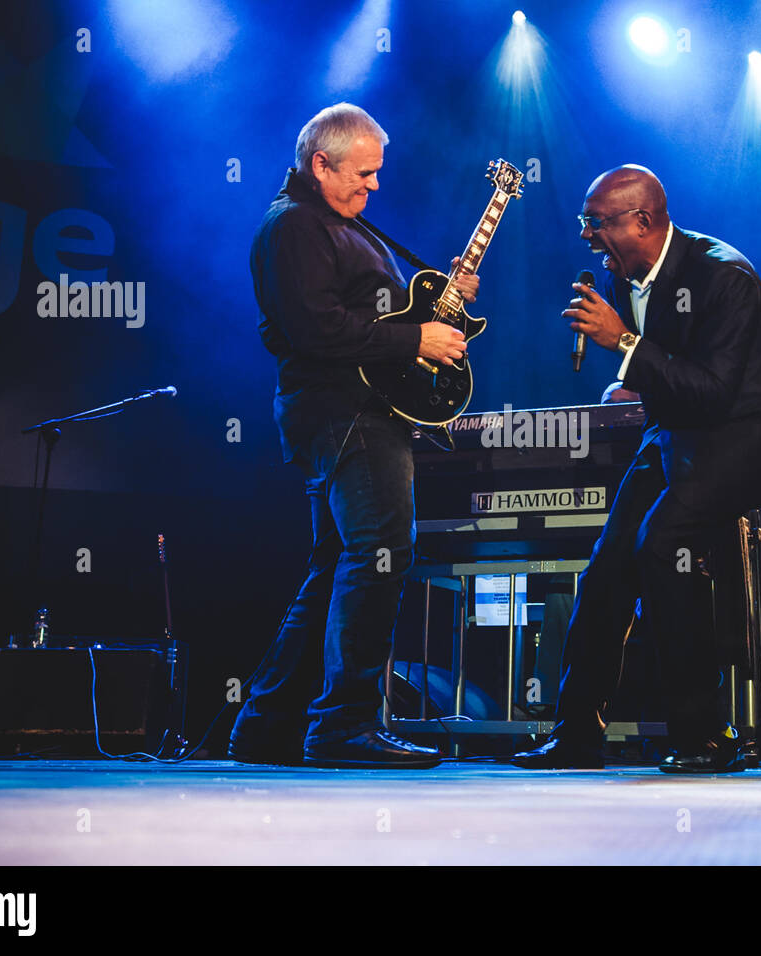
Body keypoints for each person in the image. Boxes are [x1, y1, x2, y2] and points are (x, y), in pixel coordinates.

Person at [512, 165, 761, 773]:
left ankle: (707, 736)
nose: (589, 237)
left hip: (747, 436)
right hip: (674, 432)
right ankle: (576, 737)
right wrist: (631, 377)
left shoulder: (724, 276)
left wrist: (624, 346)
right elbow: (668, 368)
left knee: (661, 543)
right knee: (606, 567)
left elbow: (717, 392)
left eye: (597, 224)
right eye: (585, 223)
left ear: (641, 221)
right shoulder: (627, 273)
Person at [230, 103, 478, 767]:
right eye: (363, 174)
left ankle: (265, 724)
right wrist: (417, 336)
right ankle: (343, 727)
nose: (374, 186)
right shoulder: (293, 227)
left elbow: (368, 316)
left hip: (356, 410)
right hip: (344, 414)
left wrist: (439, 307)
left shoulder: (341, 226)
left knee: (334, 567)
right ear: (321, 163)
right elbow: (316, 330)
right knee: (381, 554)